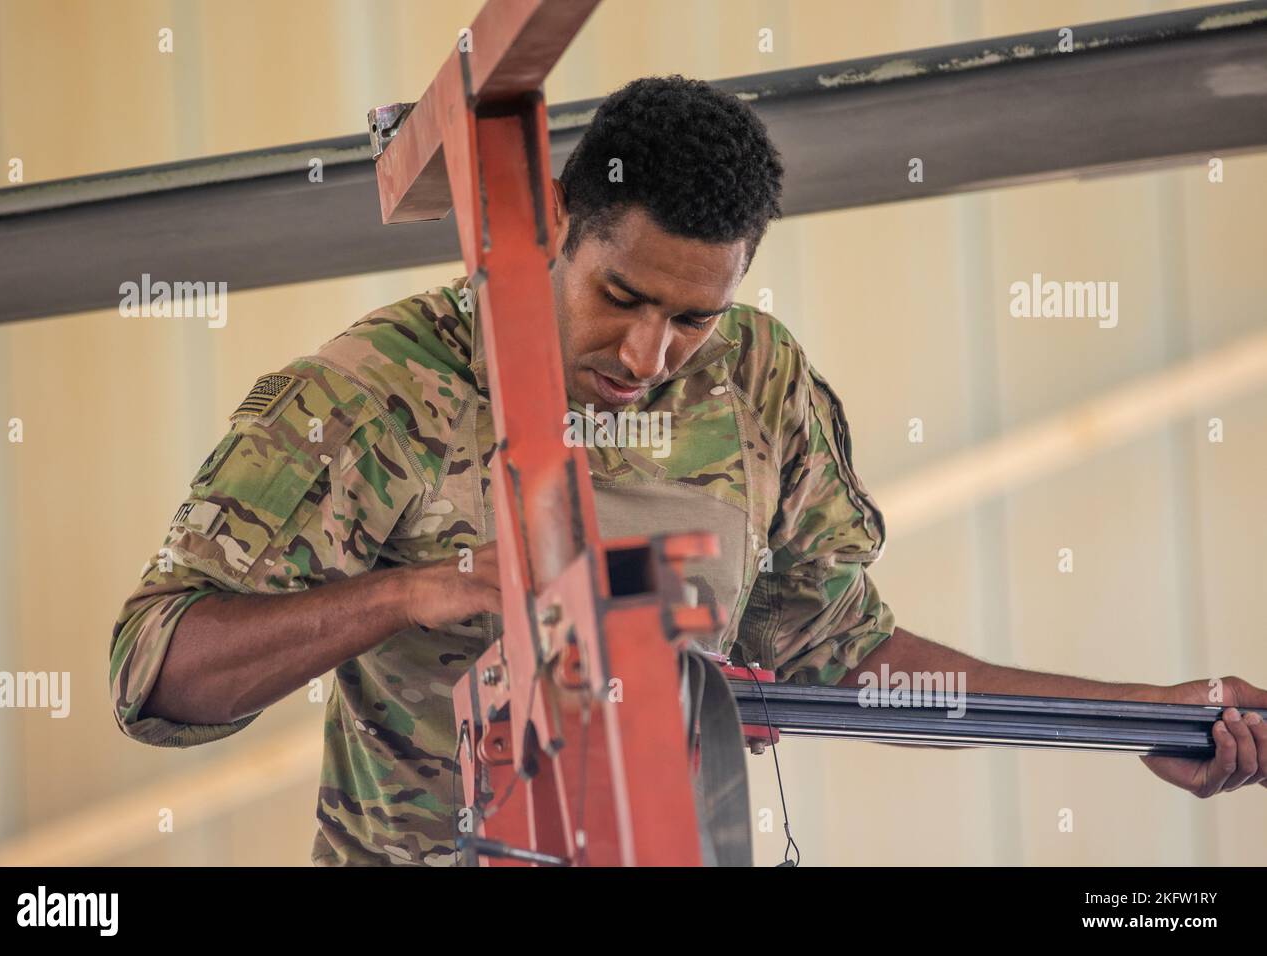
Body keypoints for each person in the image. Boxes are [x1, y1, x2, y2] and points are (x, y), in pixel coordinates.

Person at [109, 75, 1266, 867]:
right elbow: (157, 672)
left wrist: (1131, 717)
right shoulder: (375, 394)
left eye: (693, 317)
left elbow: (843, 656)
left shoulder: (758, 384)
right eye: (620, 297)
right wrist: (408, 593)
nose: (647, 355)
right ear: (557, 228)